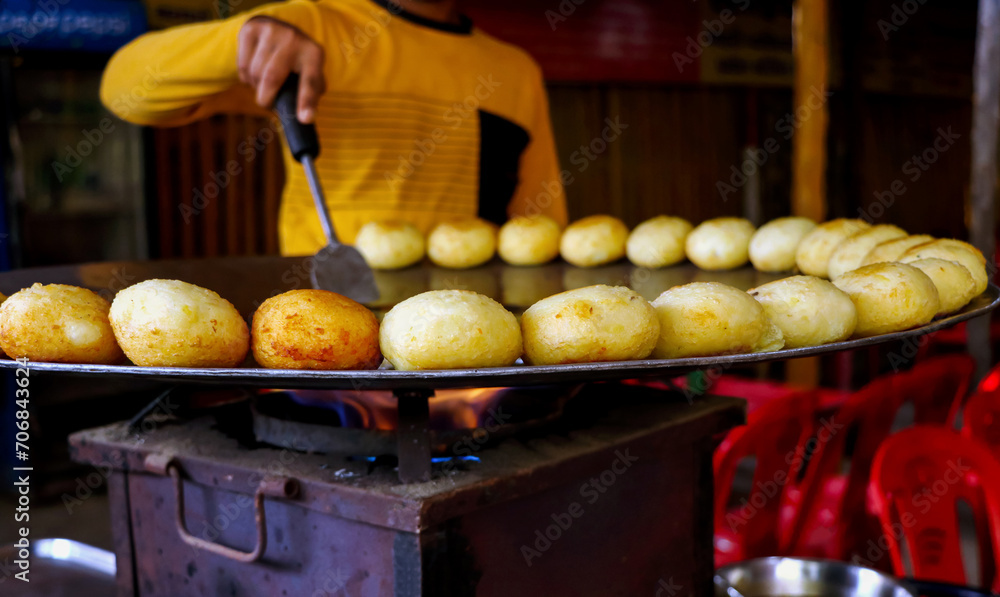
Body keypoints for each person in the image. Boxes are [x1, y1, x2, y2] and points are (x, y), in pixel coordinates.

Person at [100, 0, 569, 255]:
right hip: (330, 330)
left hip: (465, 337)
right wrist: (240, 39)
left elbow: (541, 221)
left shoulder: (514, 70)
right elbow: (123, 89)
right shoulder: (311, 26)